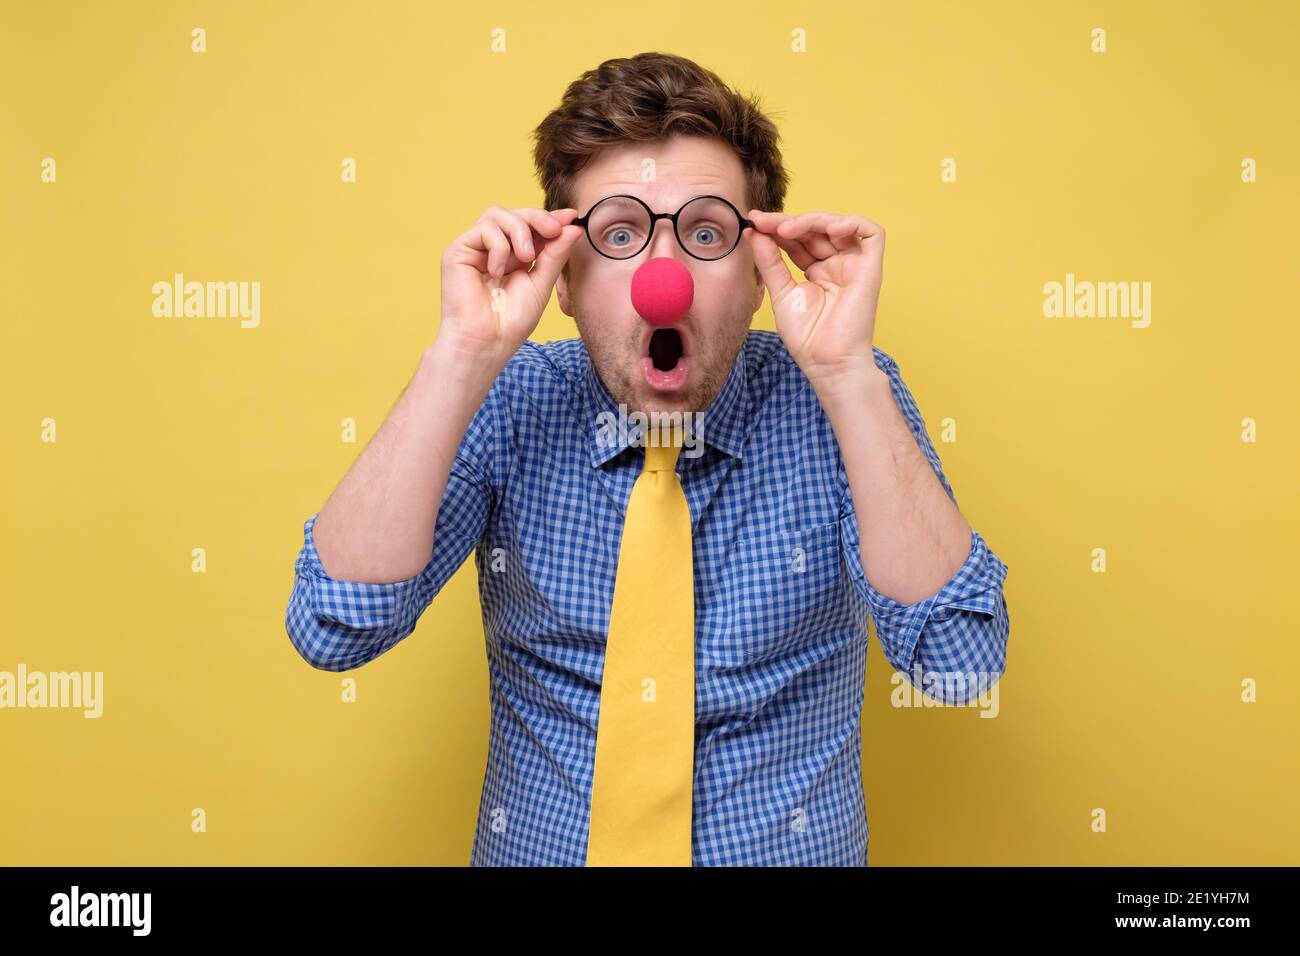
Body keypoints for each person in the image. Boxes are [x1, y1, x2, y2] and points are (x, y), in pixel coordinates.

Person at [284, 51, 1010, 866]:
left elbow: (959, 667)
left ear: (759, 273)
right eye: (621, 234)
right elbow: (334, 629)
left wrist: (847, 375)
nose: (661, 279)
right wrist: (460, 356)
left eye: (705, 232)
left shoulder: (843, 401)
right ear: (563, 277)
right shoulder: (511, 398)